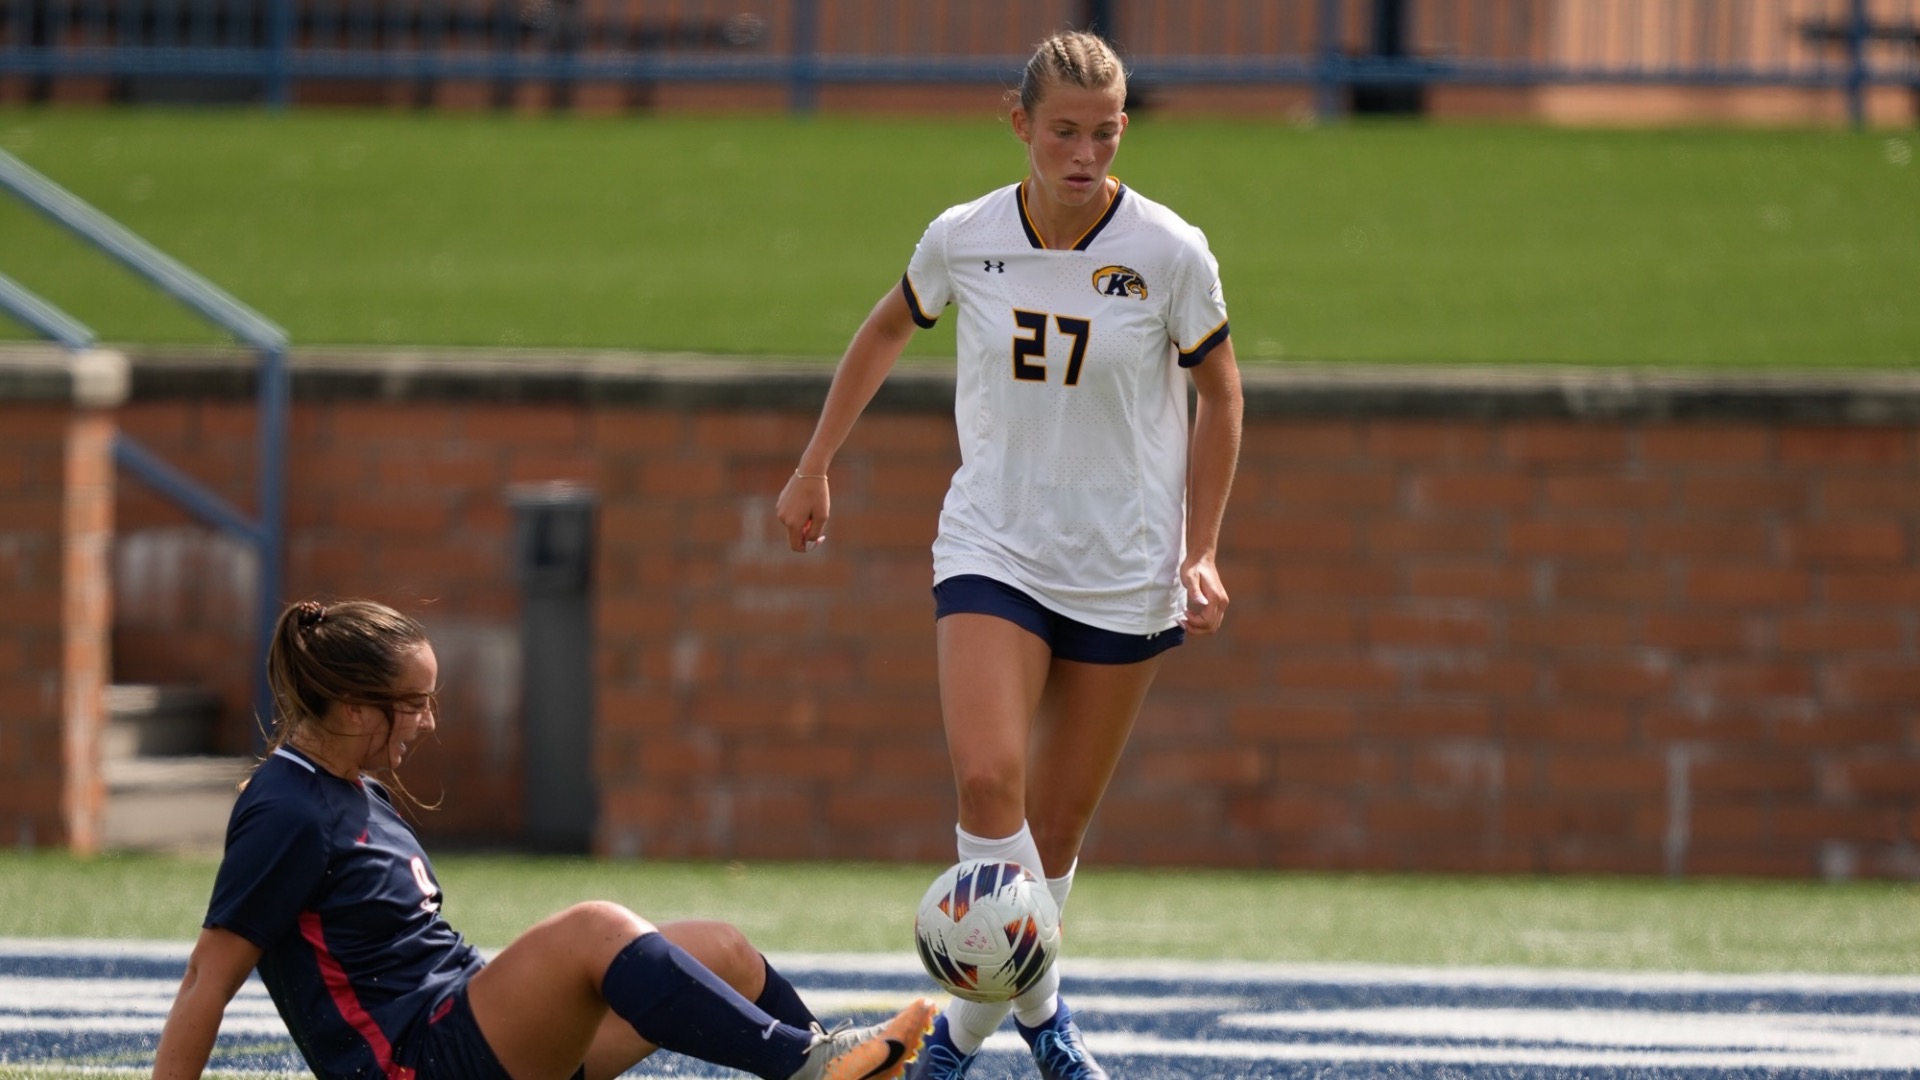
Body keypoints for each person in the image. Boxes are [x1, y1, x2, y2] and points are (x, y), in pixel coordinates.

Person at [774, 29, 1243, 1080]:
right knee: (990, 786)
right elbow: (889, 328)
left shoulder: (1170, 251)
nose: (1085, 152)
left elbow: (1220, 393)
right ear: (1019, 122)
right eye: (1065, 130)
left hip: (1126, 568)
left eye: (1106, 132)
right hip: (995, 546)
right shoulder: (965, 235)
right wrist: (815, 464)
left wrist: (1202, 547)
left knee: (1055, 837)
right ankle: (1047, 1026)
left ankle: (954, 1041)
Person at [154, 597, 936, 1080]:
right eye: (415, 703)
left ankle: (835, 1069)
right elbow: (206, 980)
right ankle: (810, 1068)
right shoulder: (287, 807)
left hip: (469, 1034)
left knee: (723, 950)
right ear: (356, 707)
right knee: (595, 927)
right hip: (415, 1062)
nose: (428, 721)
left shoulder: (353, 787)